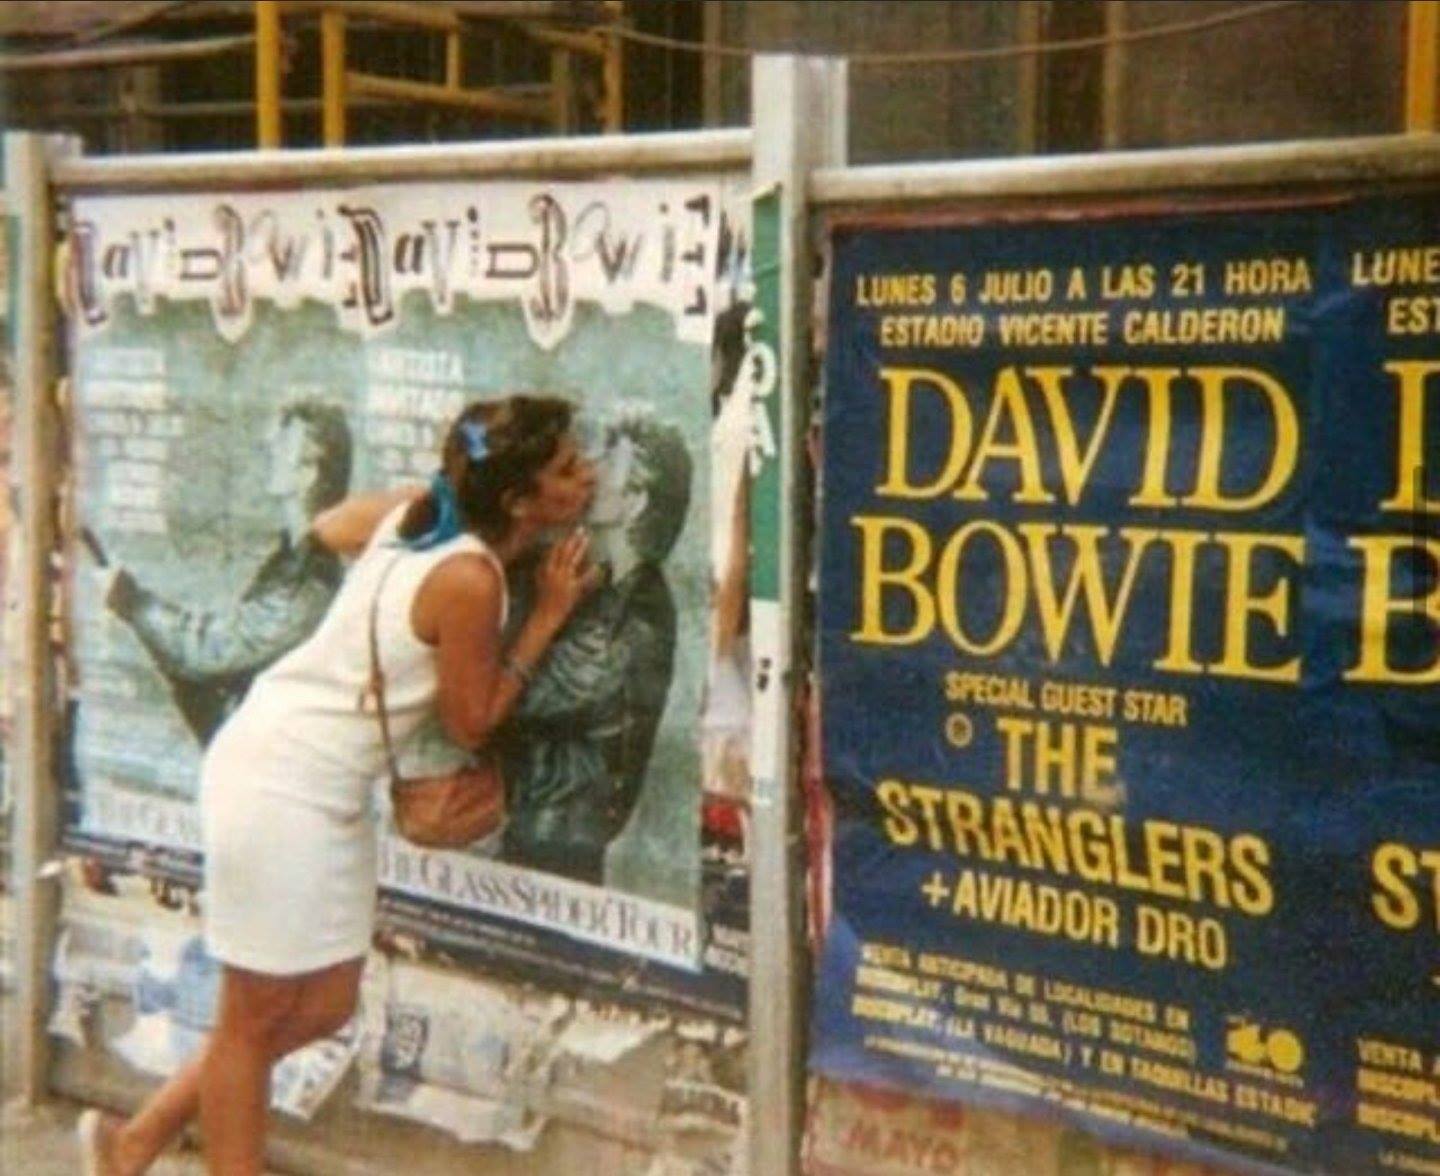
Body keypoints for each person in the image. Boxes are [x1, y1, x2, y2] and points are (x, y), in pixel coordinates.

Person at [77, 395, 599, 1175]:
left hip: (315, 783)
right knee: (248, 1021)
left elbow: (326, 530)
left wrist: (446, 494)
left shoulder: (420, 518)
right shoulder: (467, 577)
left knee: (324, 1006)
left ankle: (134, 1144)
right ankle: (159, 1153)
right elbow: (473, 722)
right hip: (279, 779)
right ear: (523, 501)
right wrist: (547, 616)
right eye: (566, 467)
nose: (586, 474)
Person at [497, 407, 693, 882]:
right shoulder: (597, 584)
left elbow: (510, 700)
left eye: (605, 463)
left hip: (556, 840)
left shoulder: (637, 616)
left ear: (636, 501)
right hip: (531, 823)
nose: (587, 473)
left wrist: (540, 613)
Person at [95, 399, 354, 744]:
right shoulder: (289, 563)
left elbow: (212, 651)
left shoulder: (309, 583)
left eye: (283, 444)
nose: (270, 448)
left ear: (310, 472)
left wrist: (129, 599)